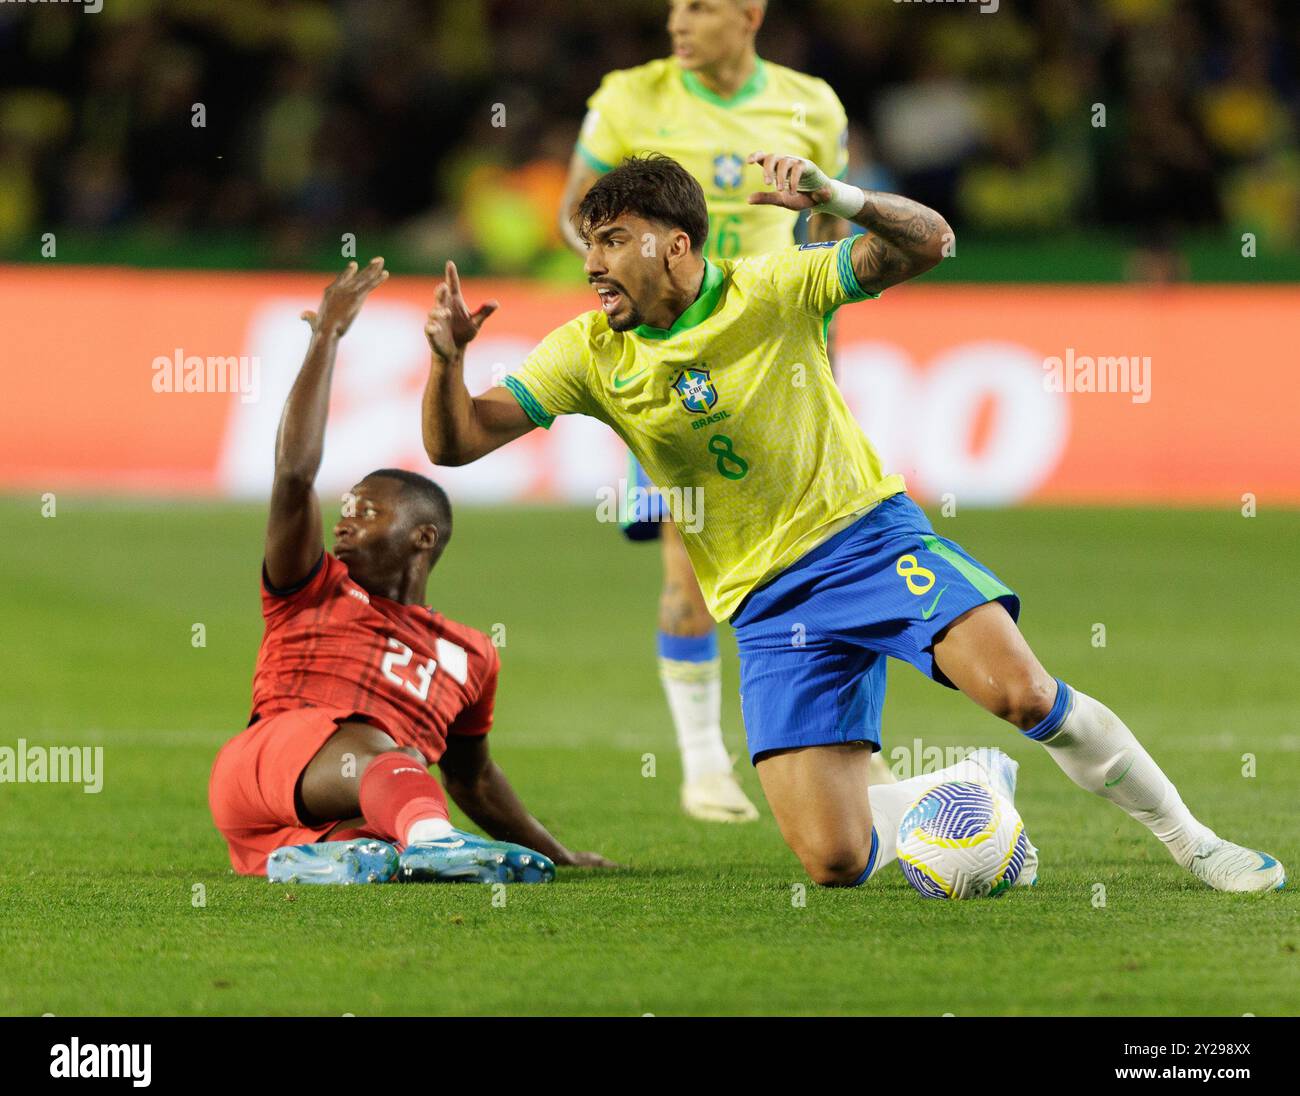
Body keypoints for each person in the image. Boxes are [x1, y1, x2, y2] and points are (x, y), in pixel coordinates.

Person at [418, 155, 1284, 892]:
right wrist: (446, 361)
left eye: (612, 241)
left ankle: (1194, 841)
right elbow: (456, 444)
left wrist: (843, 199)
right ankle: (967, 787)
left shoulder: (775, 286)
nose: (593, 265)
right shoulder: (586, 353)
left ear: (676, 243)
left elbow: (931, 241)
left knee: (1021, 692)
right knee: (835, 860)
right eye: (589, 246)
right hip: (765, 604)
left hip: (868, 540)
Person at [558, 0, 877, 821]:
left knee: (827, 551)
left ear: (749, 13)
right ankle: (704, 762)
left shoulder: (814, 103)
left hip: (779, 362)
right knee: (690, 561)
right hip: (674, 358)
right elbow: (573, 213)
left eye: (698, 6)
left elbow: (831, 220)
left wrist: (819, 323)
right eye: (671, 7)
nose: (677, 21)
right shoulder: (630, 96)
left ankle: (850, 751)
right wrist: (632, 279)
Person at [208, 258, 613, 884]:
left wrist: (557, 851)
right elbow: (293, 475)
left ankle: (324, 858)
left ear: (422, 537)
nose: (343, 523)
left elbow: (473, 776)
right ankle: (435, 841)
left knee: (386, 828)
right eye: (345, 510)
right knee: (393, 765)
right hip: (268, 764)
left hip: (352, 805)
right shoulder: (308, 590)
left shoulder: (471, 655)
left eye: (366, 512)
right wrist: (326, 337)